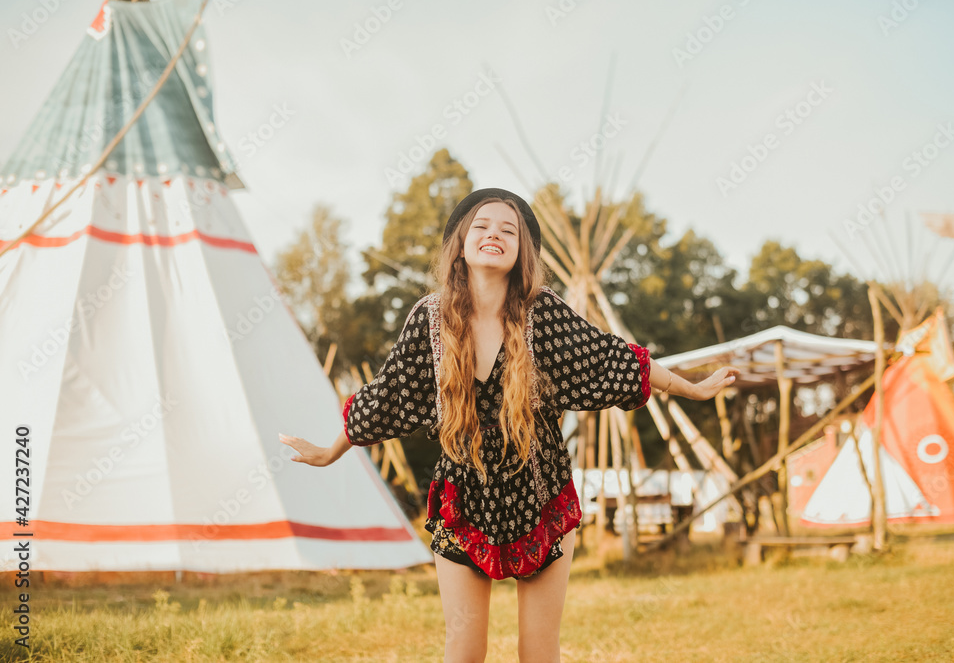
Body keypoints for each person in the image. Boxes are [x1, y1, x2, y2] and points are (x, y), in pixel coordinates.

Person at [279, 187, 739, 663]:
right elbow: (388, 394)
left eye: (508, 230)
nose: (493, 234)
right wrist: (329, 451)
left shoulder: (544, 315)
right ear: (460, 243)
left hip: (541, 498)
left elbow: (613, 361)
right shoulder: (431, 320)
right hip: (463, 498)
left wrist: (693, 388)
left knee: (538, 652)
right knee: (463, 650)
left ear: (522, 252)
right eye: (481, 226)